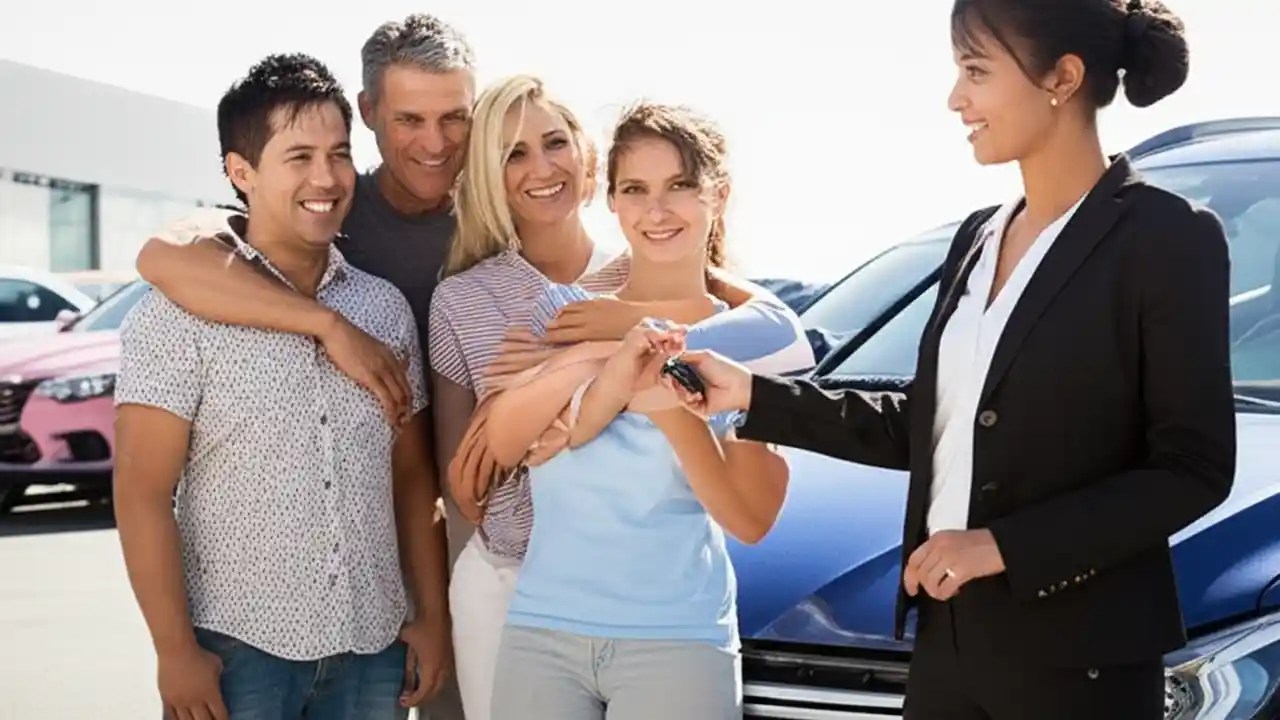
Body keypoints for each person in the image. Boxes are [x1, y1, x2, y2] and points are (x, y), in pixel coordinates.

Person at [660, 1, 1236, 718]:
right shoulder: (977, 239)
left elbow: (1193, 469)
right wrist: (752, 393)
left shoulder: (1166, 237)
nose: (955, 98)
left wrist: (1002, 546)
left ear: (1062, 76)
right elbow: (931, 422)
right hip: (946, 644)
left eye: (975, 71)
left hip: (1080, 661)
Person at [427, 77, 810, 720]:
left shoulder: (753, 342)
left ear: (719, 193)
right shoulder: (569, 313)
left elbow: (749, 519)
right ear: (610, 197)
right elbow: (504, 440)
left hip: (678, 636)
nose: (657, 211)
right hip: (542, 631)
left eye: (680, 185)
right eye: (636, 189)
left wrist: (657, 391)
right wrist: (605, 358)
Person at [133, 14, 476, 718]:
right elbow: (142, 496)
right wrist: (175, 651)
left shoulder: (384, 309)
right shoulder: (180, 309)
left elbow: (411, 480)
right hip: (240, 650)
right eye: (299, 157)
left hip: (376, 641)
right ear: (241, 172)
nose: (325, 177)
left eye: (338, 154)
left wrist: (431, 617)